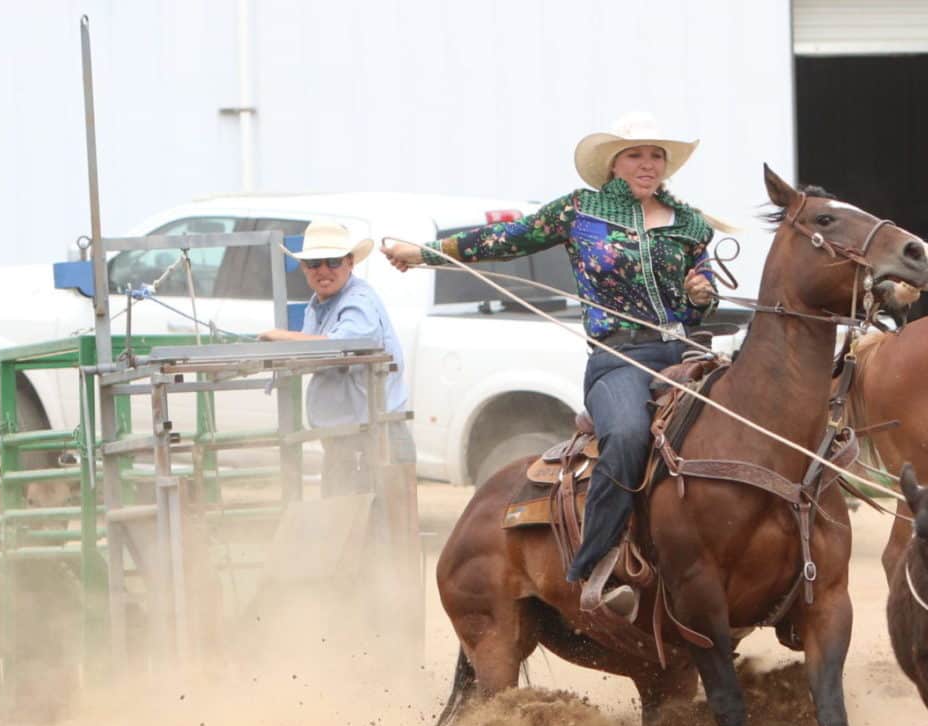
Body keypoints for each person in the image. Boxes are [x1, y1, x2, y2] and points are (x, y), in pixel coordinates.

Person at [383, 112, 718, 620]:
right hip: (619, 357)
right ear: (613, 163)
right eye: (635, 154)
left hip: (685, 352)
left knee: (742, 427)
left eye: (655, 155)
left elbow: (701, 291)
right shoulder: (580, 211)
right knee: (626, 436)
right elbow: (506, 240)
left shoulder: (691, 224)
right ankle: (596, 567)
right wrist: (428, 253)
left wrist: (701, 294)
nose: (647, 164)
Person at [263, 220, 414, 497]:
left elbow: (339, 347)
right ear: (305, 269)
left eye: (332, 262)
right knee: (347, 520)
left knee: (376, 525)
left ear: (349, 262)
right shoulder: (320, 304)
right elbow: (315, 353)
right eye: (314, 264)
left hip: (374, 438)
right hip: (349, 438)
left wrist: (282, 338)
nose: (323, 271)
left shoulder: (359, 301)